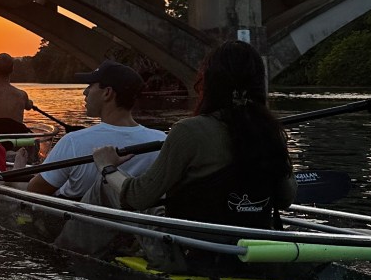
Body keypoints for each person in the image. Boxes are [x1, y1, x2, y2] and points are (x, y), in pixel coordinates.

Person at [91, 40, 293, 227]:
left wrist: (106, 166)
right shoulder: (271, 132)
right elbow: (286, 198)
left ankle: (65, 251)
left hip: (189, 249)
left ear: (210, 83)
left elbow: (137, 197)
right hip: (254, 241)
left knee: (107, 185)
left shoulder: (188, 131)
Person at [27, 60, 164, 200]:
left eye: (91, 86)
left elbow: (35, 190)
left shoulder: (74, 141)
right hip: (133, 219)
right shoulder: (161, 141)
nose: (85, 92)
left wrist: (17, 171)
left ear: (107, 93)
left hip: (77, 219)